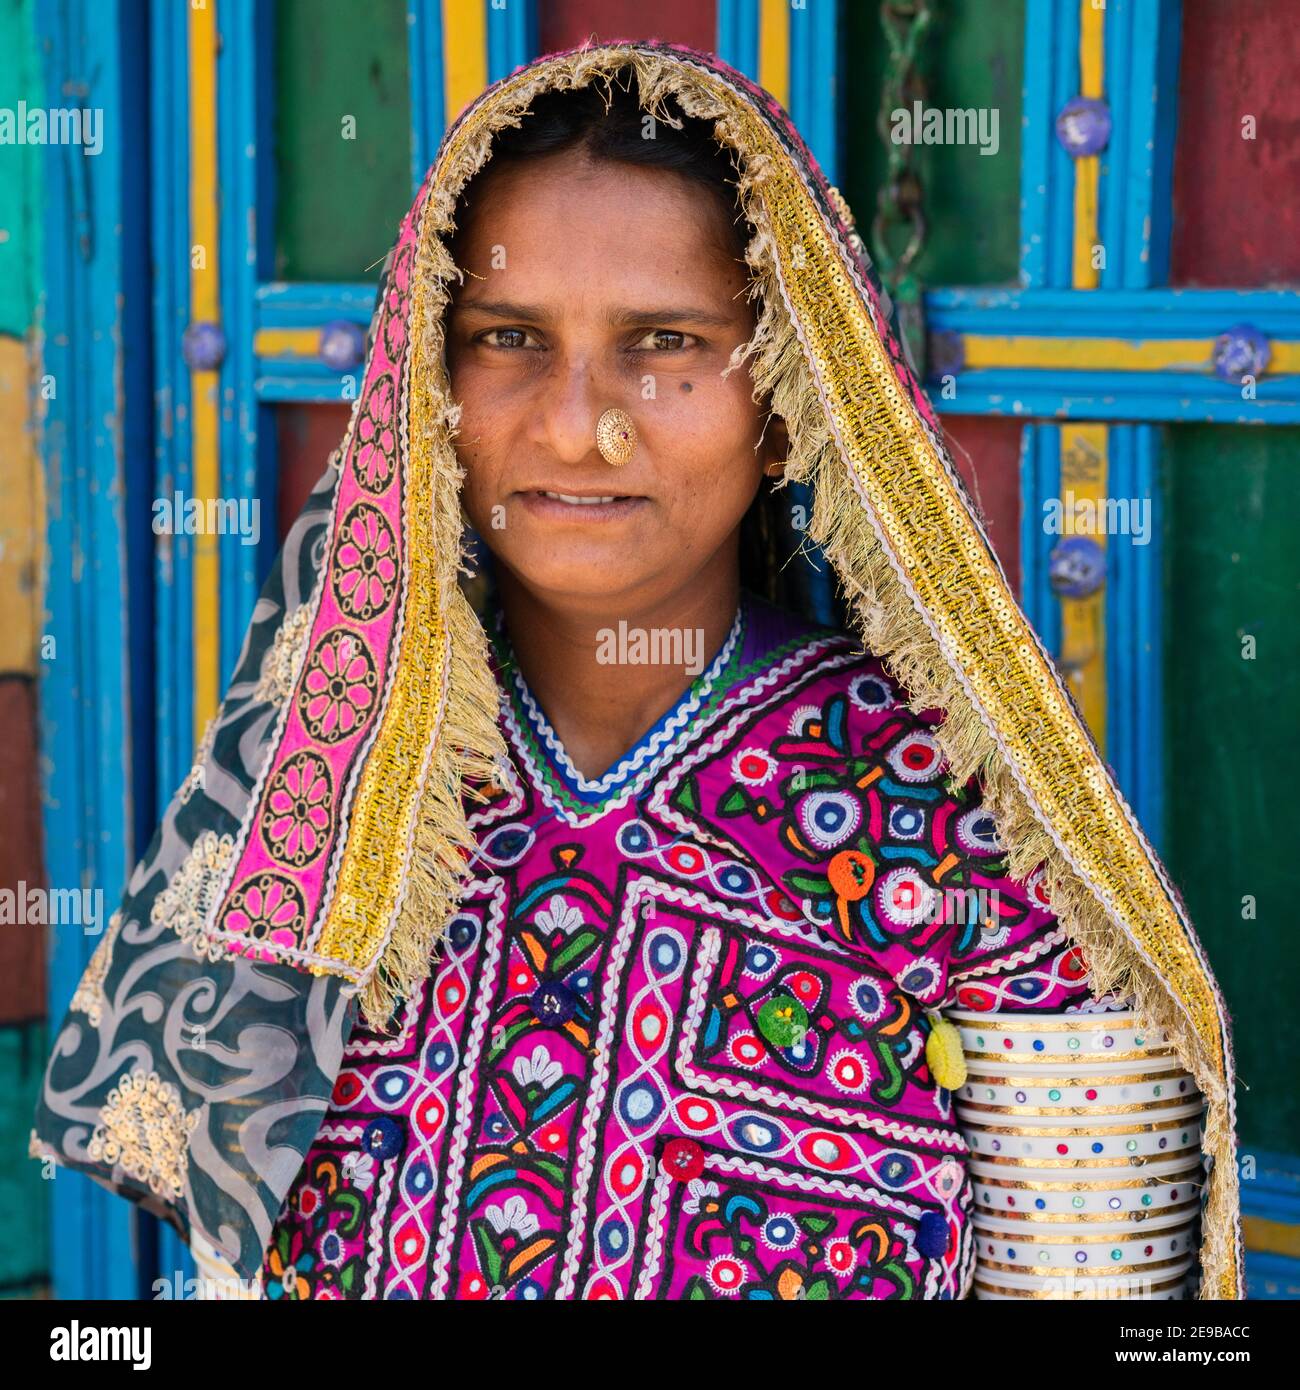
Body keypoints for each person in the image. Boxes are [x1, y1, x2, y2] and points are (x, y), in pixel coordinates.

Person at [31, 42, 1242, 1301]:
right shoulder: (322, 787)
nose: (575, 424)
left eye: (663, 342)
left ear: (785, 396)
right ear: (424, 385)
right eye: (507, 337)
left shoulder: (967, 820)